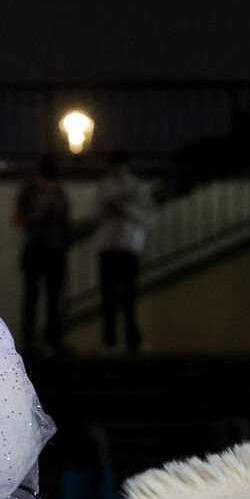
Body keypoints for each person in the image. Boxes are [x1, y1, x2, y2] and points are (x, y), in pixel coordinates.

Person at [13, 156, 72, 354]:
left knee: (54, 298)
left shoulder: (59, 192)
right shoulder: (29, 191)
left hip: (54, 249)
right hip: (35, 248)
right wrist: (37, 213)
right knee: (32, 297)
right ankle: (30, 341)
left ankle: (53, 340)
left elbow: (65, 218)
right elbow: (18, 219)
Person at [94, 151, 152, 352]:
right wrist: (109, 208)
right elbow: (96, 215)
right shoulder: (104, 187)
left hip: (128, 246)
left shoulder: (137, 187)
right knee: (108, 297)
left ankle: (132, 341)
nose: (118, 170)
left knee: (129, 296)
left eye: (120, 165)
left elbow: (148, 217)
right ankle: (109, 341)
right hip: (109, 246)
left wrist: (125, 209)